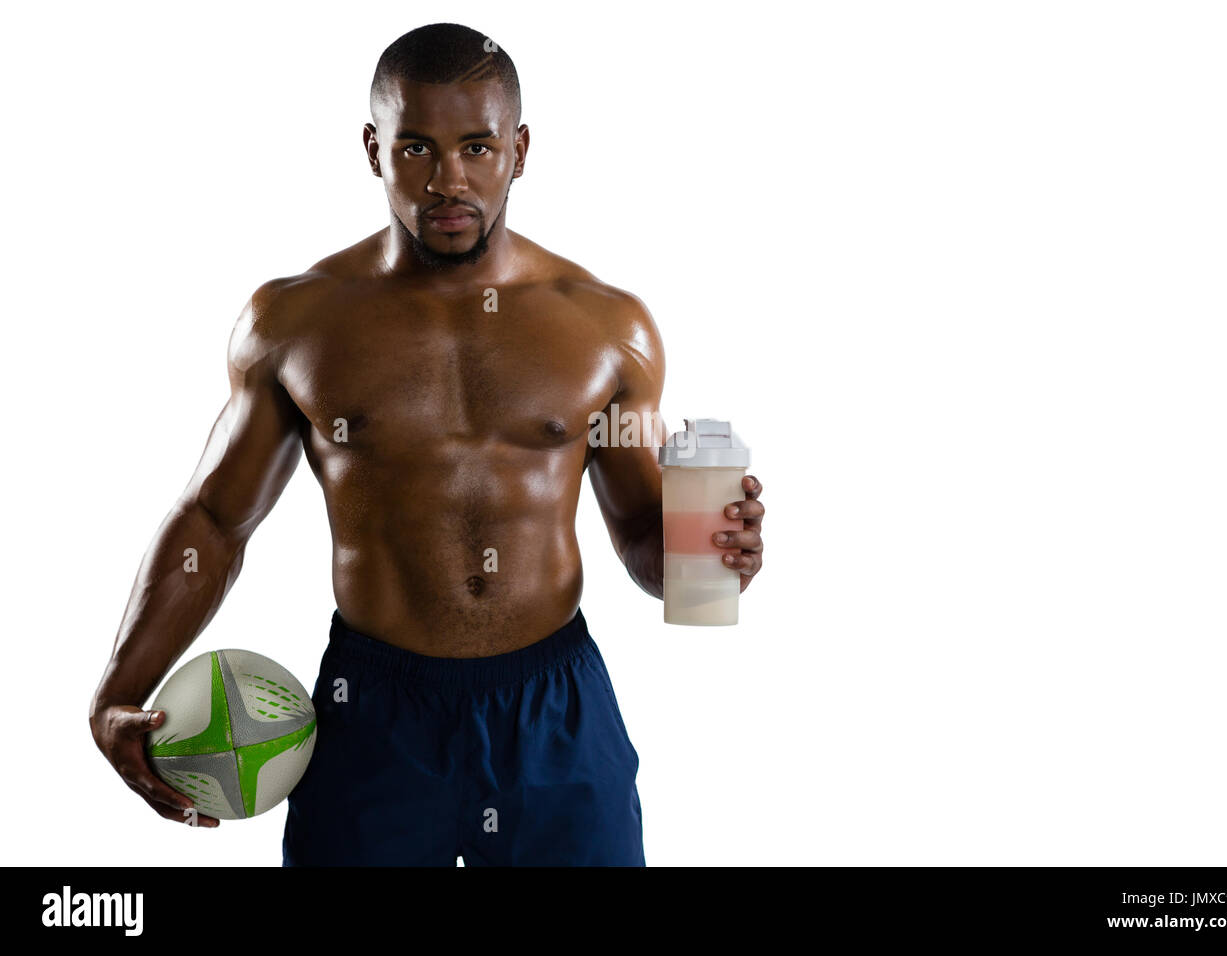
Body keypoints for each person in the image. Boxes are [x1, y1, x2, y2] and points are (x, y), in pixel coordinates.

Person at [89, 22, 765, 866]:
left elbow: (644, 546)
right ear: (374, 150)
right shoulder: (295, 324)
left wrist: (714, 553)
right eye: (417, 149)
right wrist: (117, 693)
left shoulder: (606, 330)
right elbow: (214, 522)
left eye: (477, 147)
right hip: (372, 709)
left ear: (520, 150)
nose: (450, 180)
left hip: (554, 711)